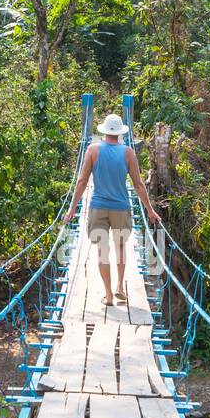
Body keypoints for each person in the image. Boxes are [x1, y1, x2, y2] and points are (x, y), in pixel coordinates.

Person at [64, 112, 161, 306]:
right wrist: (150, 210)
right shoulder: (128, 153)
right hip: (121, 208)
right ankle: (119, 287)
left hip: (98, 207)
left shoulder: (92, 150)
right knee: (120, 248)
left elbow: (82, 181)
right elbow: (139, 184)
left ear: (104, 131)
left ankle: (108, 295)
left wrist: (72, 208)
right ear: (120, 133)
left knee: (102, 251)